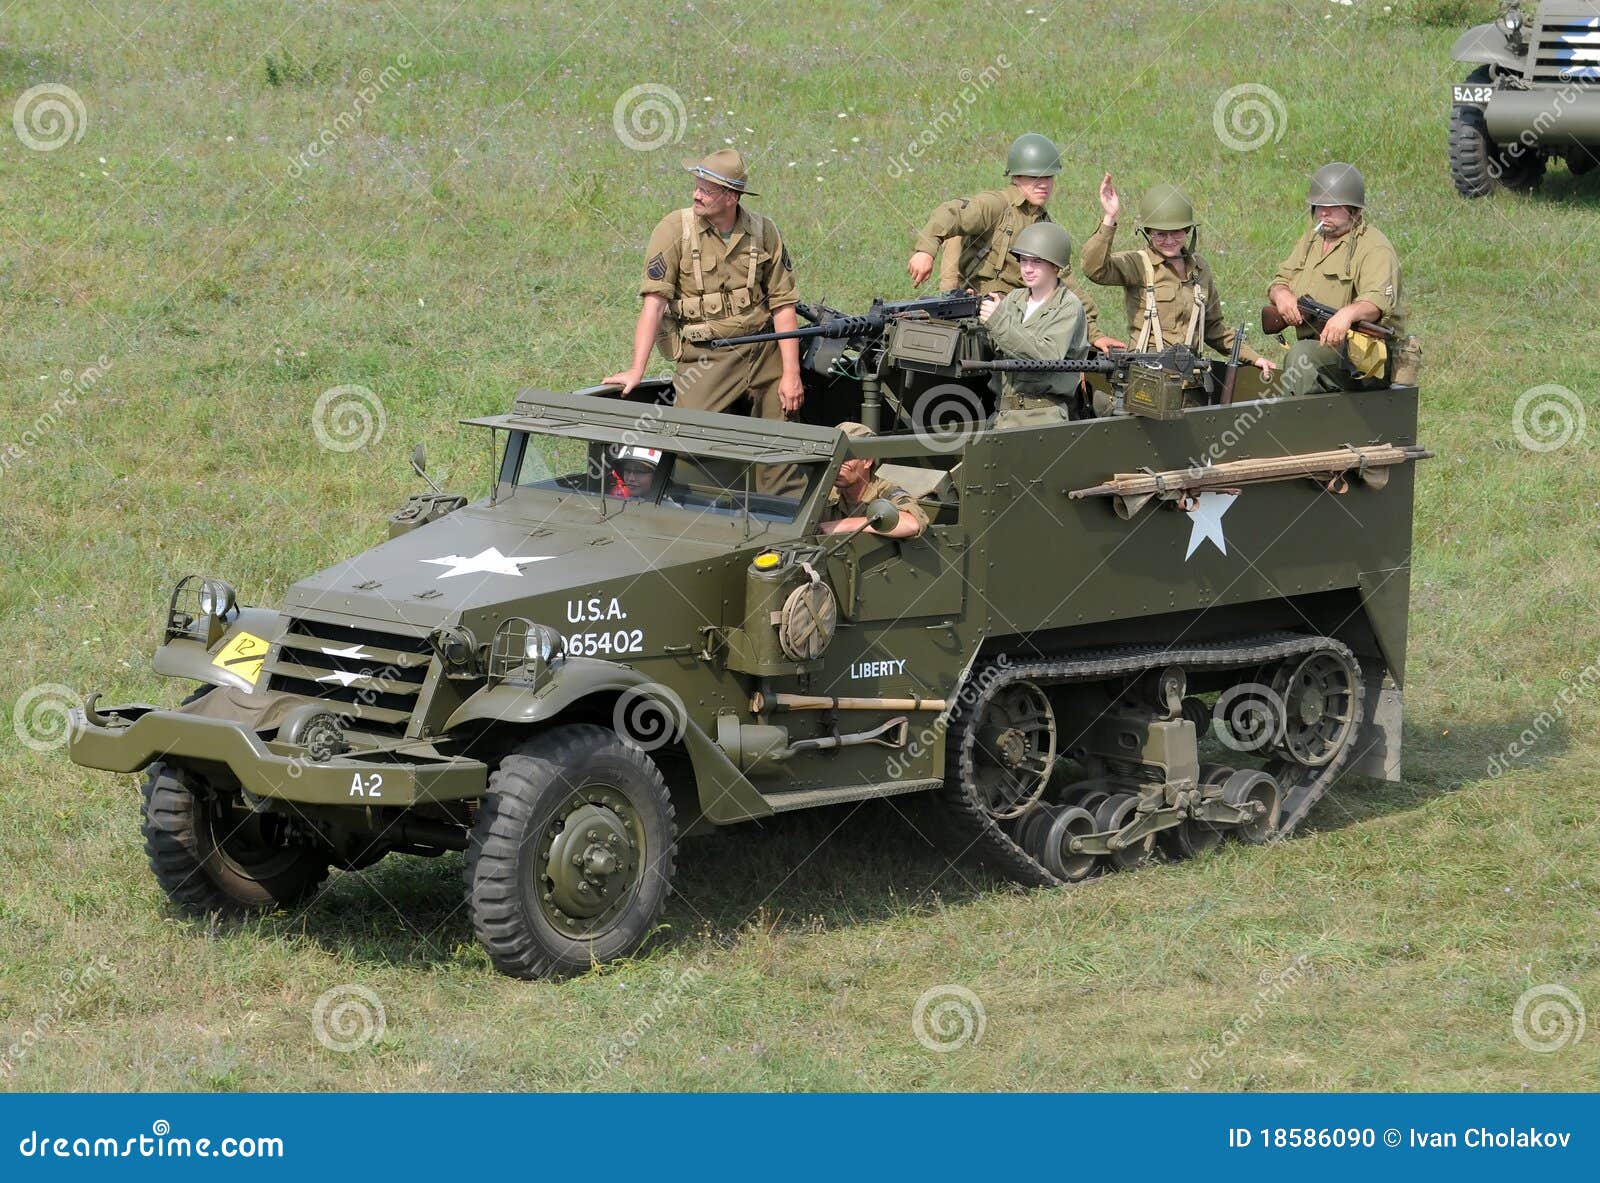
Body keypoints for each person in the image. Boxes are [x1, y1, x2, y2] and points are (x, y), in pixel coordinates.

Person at [603, 149, 805, 420]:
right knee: (689, 433)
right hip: (706, 355)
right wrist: (636, 369)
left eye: (706, 191)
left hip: (764, 351)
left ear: (731, 197)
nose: (695, 195)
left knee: (784, 434)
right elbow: (654, 305)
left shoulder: (764, 231)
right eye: (696, 187)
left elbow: (783, 304)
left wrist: (791, 374)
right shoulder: (675, 229)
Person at [905, 133, 1120, 351]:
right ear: (1016, 177)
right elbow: (950, 213)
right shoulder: (996, 205)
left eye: (1048, 177)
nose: (1043, 184)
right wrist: (925, 251)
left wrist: (1094, 333)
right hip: (977, 308)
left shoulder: (1043, 224)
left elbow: (1064, 280)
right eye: (1035, 177)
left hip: (1015, 315)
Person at [1083, 176, 1277, 397]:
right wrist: (1109, 218)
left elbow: (1214, 328)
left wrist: (1254, 357)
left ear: (1187, 231)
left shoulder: (1199, 268)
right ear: (1148, 233)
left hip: (1191, 384)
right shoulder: (1138, 264)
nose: (1169, 240)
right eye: (1160, 234)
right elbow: (1094, 268)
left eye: (1176, 233)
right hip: (1148, 381)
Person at [1266, 162, 1405, 397]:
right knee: (1303, 354)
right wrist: (1282, 295)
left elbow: (1376, 302)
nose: (1324, 213)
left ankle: (1305, 419)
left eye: (1333, 207)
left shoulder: (1374, 248)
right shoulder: (1312, 240)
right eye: (1319, 206)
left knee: (1302, 357)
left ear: (1355, 210)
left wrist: (1347, 315)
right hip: (1321, 344)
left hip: (1366, 354)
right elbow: (1281, 279)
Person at [977, 222, 1086, 420]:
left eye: (1036, 262)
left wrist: (997, 321)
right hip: (1002, 412)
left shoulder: (1067, 305)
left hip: (1042, 413)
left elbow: (1046, 356)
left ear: (1055, 265)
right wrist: (975, 320)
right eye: (1023, 261)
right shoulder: (1014, 298)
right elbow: (996, 347)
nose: (1027, 269)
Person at [818, 423, 928, 539]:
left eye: (846, 458)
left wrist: (843, 525)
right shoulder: (825, 492)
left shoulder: (885, 491)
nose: (837, 465)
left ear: (867, 461)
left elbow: (912, 523)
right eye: (834, 457)